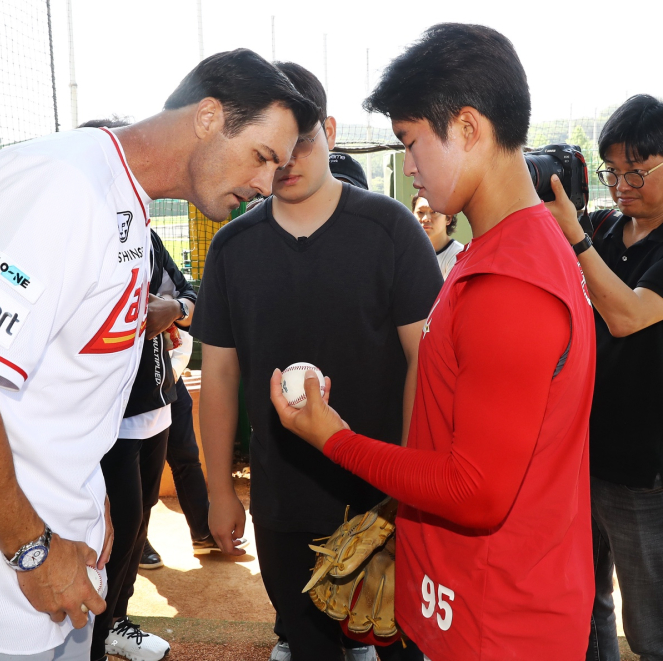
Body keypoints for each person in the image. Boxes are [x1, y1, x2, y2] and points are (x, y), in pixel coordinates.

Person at [0, 48, 319, 661]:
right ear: (209, 116)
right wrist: (32, 546)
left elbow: (67, 377)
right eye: (264, 157)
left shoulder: (122, 197)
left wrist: (79, 494)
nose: (267, 183)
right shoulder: (60, 186)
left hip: (49, 554)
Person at [269, 24, 596, 661]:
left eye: (411, 142)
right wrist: (403, 512)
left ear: (468, 128)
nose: (408, 165)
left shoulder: (510, 282)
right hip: (485, 600)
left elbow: (475, 490)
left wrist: (331, 438)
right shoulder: (510, 248)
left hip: (496, 624)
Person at [191, 61, 441, 661]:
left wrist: (405, 489)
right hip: (283, 502)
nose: (287, 159)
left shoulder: (391, 229)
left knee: (402, 645)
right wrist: (219, 490)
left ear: (329, 128)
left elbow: (426, 362)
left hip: (382, 496)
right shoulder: (233, 246)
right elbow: (219, 375)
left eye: (303, 139)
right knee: (307, 646)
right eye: (273, 148)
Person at [545, 93, 663, 661]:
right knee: (584, 604)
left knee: (651, 624)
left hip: (643, 466)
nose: (622, 184)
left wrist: (576, 238)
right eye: (612, 170)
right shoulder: (610, 234)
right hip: (580, 453)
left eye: (637, 170)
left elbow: (628, 315)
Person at [93, 229, 196, 661]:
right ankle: (95, 635)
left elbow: (189, 296)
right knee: (120, 521)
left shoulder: (146, 236)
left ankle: (116, 622)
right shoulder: (88, 234)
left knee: (141, 519)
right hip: (108, 412)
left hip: (158, 400)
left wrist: (171, 308)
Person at [411, 194, 464, 279]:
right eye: (420, 212)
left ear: (448, 218)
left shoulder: (458, 255)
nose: (426, 218)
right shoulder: (406, 253)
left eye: (434, 212)